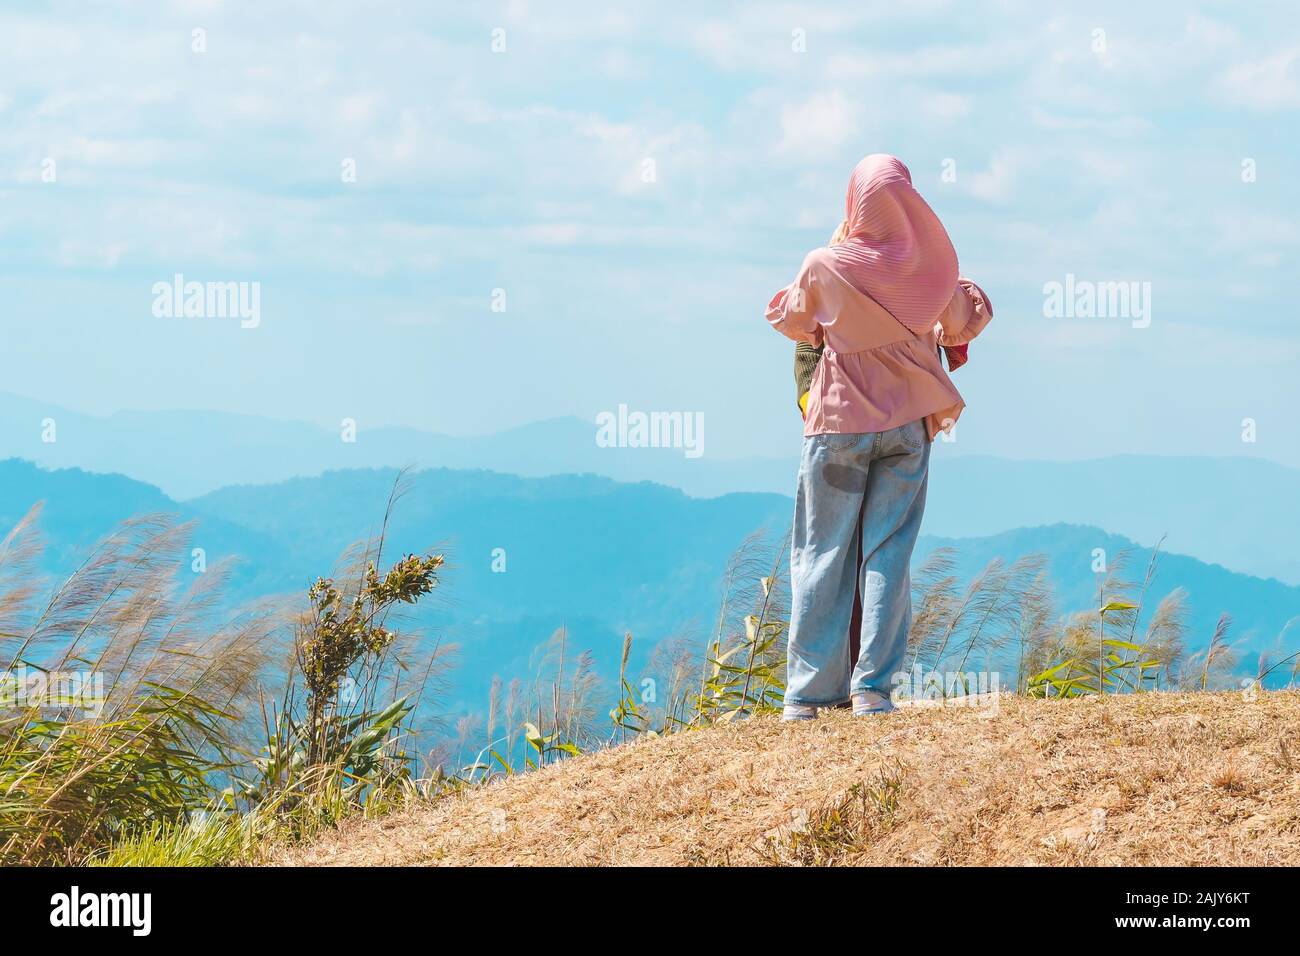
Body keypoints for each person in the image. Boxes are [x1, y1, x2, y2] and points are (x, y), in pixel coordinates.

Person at [765, 153, 993, 720]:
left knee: (821, 553)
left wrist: (844, 258)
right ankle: (872, 690)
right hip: (908, 428)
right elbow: (966, 321)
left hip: (838, 426)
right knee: (888, 553)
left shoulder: (824, 263)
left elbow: (795, 322)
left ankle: (806, 696)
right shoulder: (935, 270)